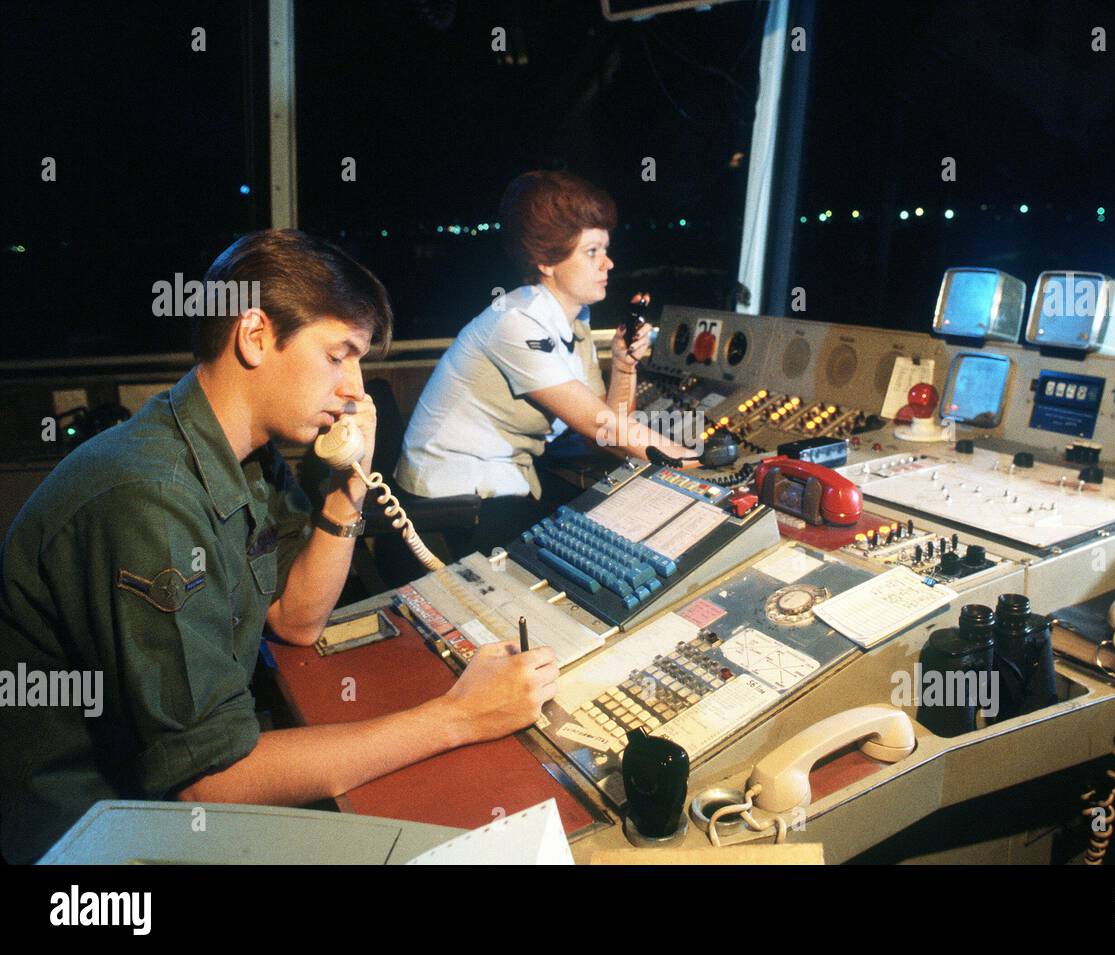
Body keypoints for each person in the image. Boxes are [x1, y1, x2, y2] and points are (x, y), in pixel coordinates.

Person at [0, 229, 557, 863]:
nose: (355, 390)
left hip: (165, 794)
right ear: (256, 335)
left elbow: (296, 617)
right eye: (339, 355)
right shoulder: (147, 497)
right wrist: (457, 717)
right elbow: (211, 783)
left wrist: (351, 481)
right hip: (86, 843)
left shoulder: (245, 455)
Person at [394, 170, 697, 563]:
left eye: (605, 249)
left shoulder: (575, 320)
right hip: (449, 504)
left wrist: (623, 366)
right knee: (589, 558)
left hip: (497, 486)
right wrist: (694, 466)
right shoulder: (515, 320)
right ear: (546, 261)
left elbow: (601, 434)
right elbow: (605, 428)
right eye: (592, 252)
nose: (608, 262)